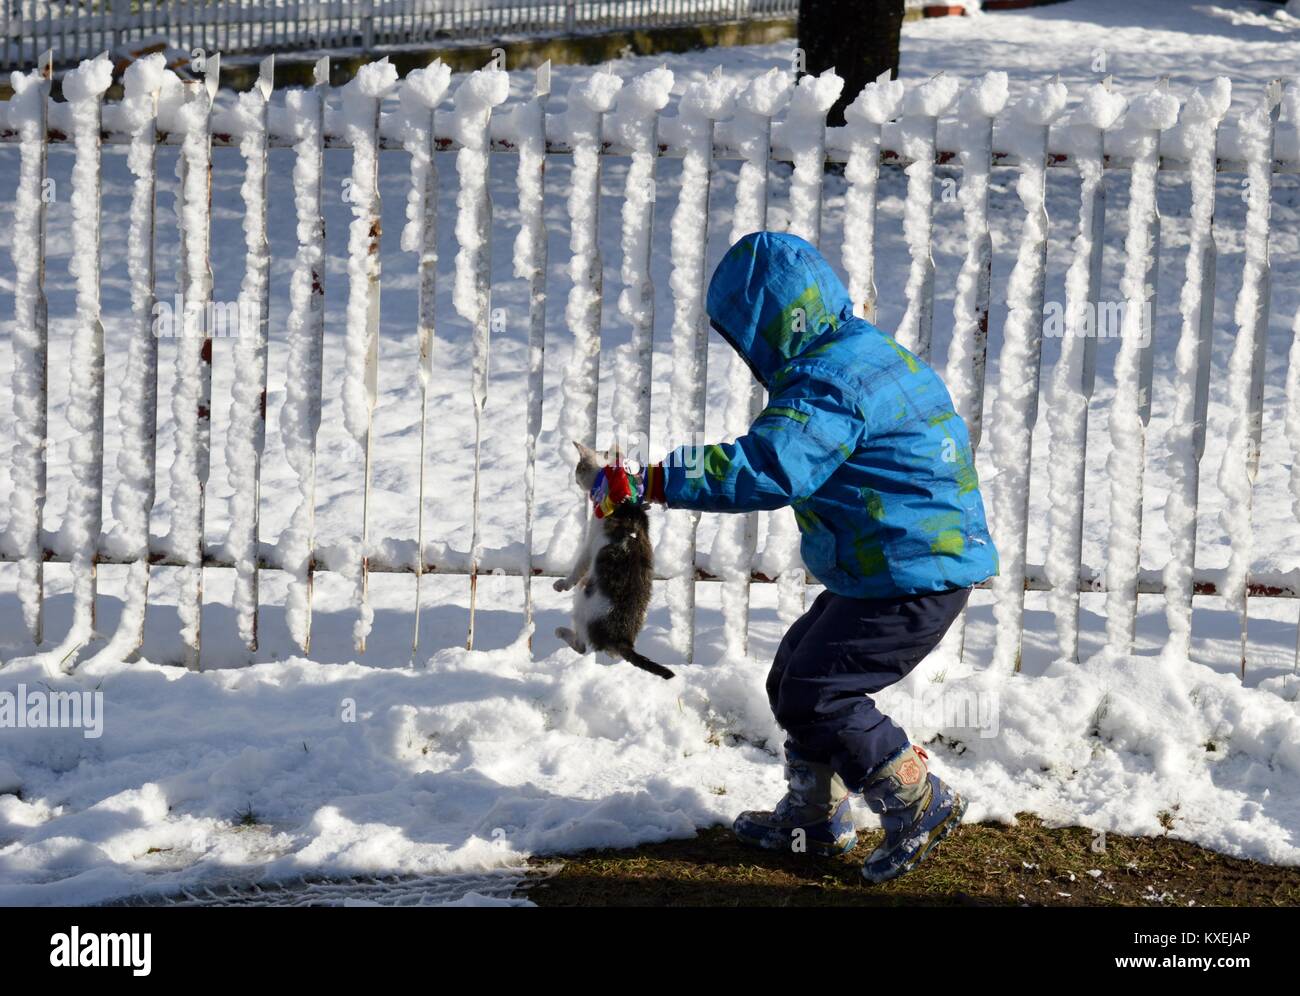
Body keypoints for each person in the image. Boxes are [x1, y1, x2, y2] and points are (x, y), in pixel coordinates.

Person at [589, 231, 999, 883]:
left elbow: (770, 467)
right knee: (794, 675)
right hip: (893, 563)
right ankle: (811, 823)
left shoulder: (828, 381)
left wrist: (655, 481)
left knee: (821, 691)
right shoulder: (860, 352)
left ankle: (919, 799)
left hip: (910, 573)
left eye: (747, 336)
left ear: (774, 326)